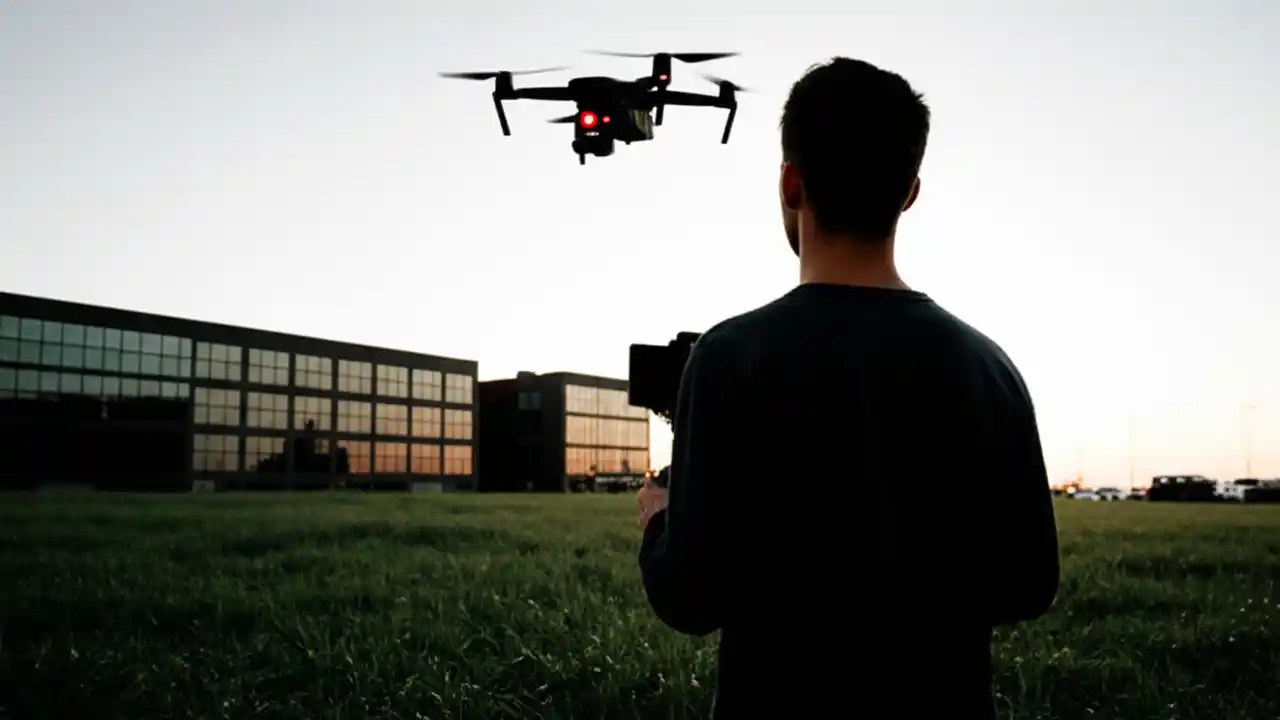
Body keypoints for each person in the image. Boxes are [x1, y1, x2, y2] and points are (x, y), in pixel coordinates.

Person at [636, 57, 1060, 719]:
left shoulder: (729, 358)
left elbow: (690, 598)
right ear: (910, 190)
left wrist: (659, 515)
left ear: (791, 181)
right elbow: (1029, 586)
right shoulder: (989, 368)